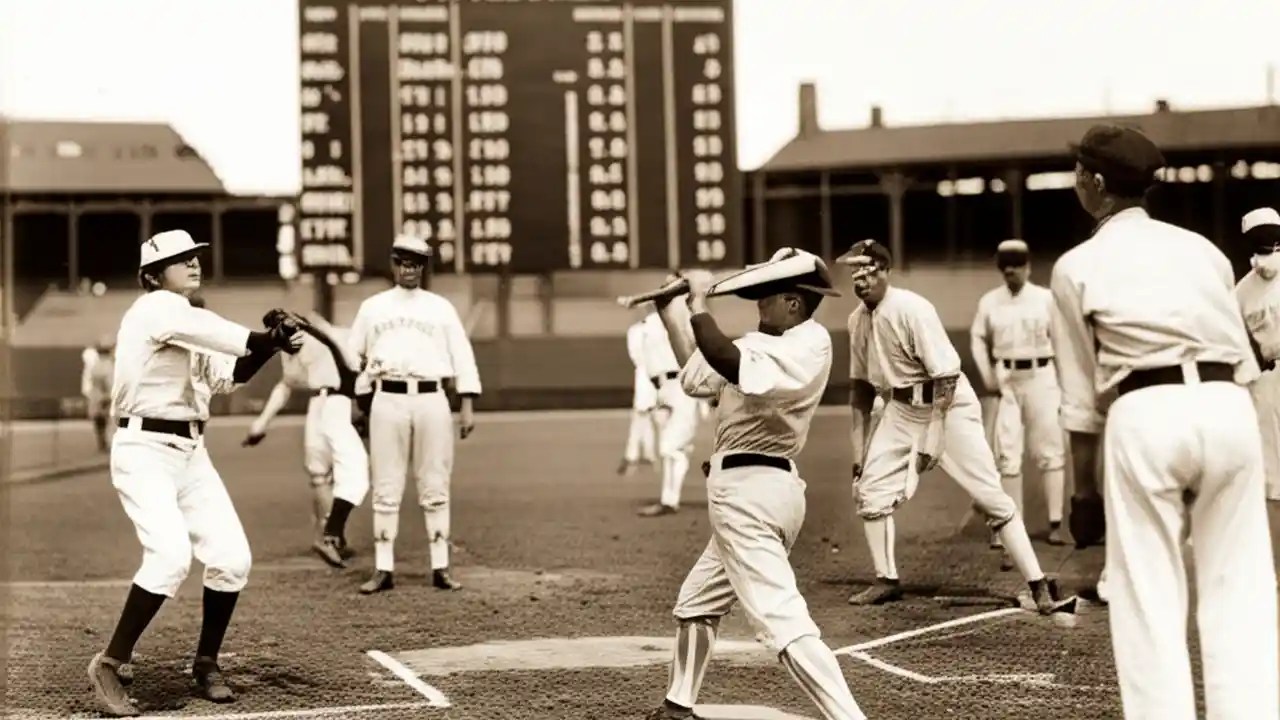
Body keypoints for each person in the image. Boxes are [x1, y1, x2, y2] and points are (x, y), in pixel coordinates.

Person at [1051, 124, 1277, 719]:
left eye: (1079, 171)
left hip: (1145, 409)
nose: (1075, 180)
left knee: (1147, 593)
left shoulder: (1077, 265)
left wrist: (1082, 493)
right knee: (1240, 587)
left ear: (1096, 184)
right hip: (1228, 407)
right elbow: (1248, 370)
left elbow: (1079, 401)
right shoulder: (1201, 249)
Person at [632, 247, 867, 720]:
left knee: (782, 620)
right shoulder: (759, 346)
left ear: (795, 303)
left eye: (768, 296)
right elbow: (697, 375)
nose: (758, 303)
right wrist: (669, 311)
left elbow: (723, 356)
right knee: (696, 602)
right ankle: (679, 706)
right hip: (745, 486)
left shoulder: (809, 342)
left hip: (755, 494)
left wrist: (699, 301)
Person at [87, 230, 303, 717]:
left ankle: (206, 662)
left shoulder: (185, 323)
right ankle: (110, 662)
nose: (192, 263)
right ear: (152, 276)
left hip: (189, 451)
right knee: (169, 557)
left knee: (232, 558)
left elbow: (229, 376)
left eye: (195, 257)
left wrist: (272, 346)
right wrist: (264, 336)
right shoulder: (155, 309)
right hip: (143, 448)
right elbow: (223, 334)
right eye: (180, 259)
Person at [841, 239, 1073, 614]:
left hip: (947, 407)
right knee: (870, 490)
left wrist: (935, 433)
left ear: (885, 271)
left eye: (867, 271)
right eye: (855, 272)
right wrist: (859, 454)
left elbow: (945, 376)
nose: (861, 279)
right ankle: (887, 579)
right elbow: (860, 390)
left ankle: (1037, 581)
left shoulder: (911, 309)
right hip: (900, 409)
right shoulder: (857, 321)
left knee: (990, 494)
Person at [348, 234, 480, 594]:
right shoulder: (373, 307)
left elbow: (462, 357)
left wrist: (466, 404)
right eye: (404, 263)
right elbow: (352, 357)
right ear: (394, 265)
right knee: (386, 484)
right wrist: (358, 401)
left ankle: (440, 566)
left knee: (435, 482)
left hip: (431, 396)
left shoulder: (440, 308)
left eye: (417, 264)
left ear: (423, 267)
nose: (410, 270)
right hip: (387, 396)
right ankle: (383, 567)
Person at [243, 312, 369, 566]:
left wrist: (261, 424)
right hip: (336, 403)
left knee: (322, 474)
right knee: (343, 472)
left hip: (324, 405)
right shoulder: (326, 335)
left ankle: (329, 535)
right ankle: (330, 537)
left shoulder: (314, 336)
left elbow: (287, 383)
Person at [969, 239, 1068, 553]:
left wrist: (1065, 379)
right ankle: (1009, 524)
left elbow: (1063, 339)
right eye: (1005, 267)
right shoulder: (990, 301)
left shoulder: (1045, 299)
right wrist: (987, 377)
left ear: (1027, 266)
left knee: (1050, 447)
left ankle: (1055, 524)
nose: (1010, 272)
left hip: (1042, 374)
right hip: (1006, 377)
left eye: (1016, 266)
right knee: (1006, 453)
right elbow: (977, 338)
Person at [635, 272, 702, 517]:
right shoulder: (654, 321)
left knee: (670, 447)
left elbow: (697, 353)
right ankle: (669, 498)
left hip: (683, 384)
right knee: (672, 447)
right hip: (663, 387)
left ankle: (670, 501)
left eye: (672, 285)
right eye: (664, 284)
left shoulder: (689, 319)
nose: (666, 288)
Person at [1234, 206, 1280, 501]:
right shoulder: (1241, 291)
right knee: (1273, 469)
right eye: (1259, 248)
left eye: (1273, 246)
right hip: (1266, 382)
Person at [618, 308, 659, 475]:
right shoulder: (637, 331)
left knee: (645, 415)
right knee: (643, 415)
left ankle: (636, 455)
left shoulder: (645, 330)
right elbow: (637, 356)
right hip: (648, 373)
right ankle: (647, 454)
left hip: (653, 373)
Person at [82, 334, 116, 452]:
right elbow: (109, 382)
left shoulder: (95, 365)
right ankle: (105, 442)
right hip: (104, 396)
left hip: (97, 395)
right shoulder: (107, 365)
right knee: (106, 421)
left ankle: (102, 442)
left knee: (100, 421)